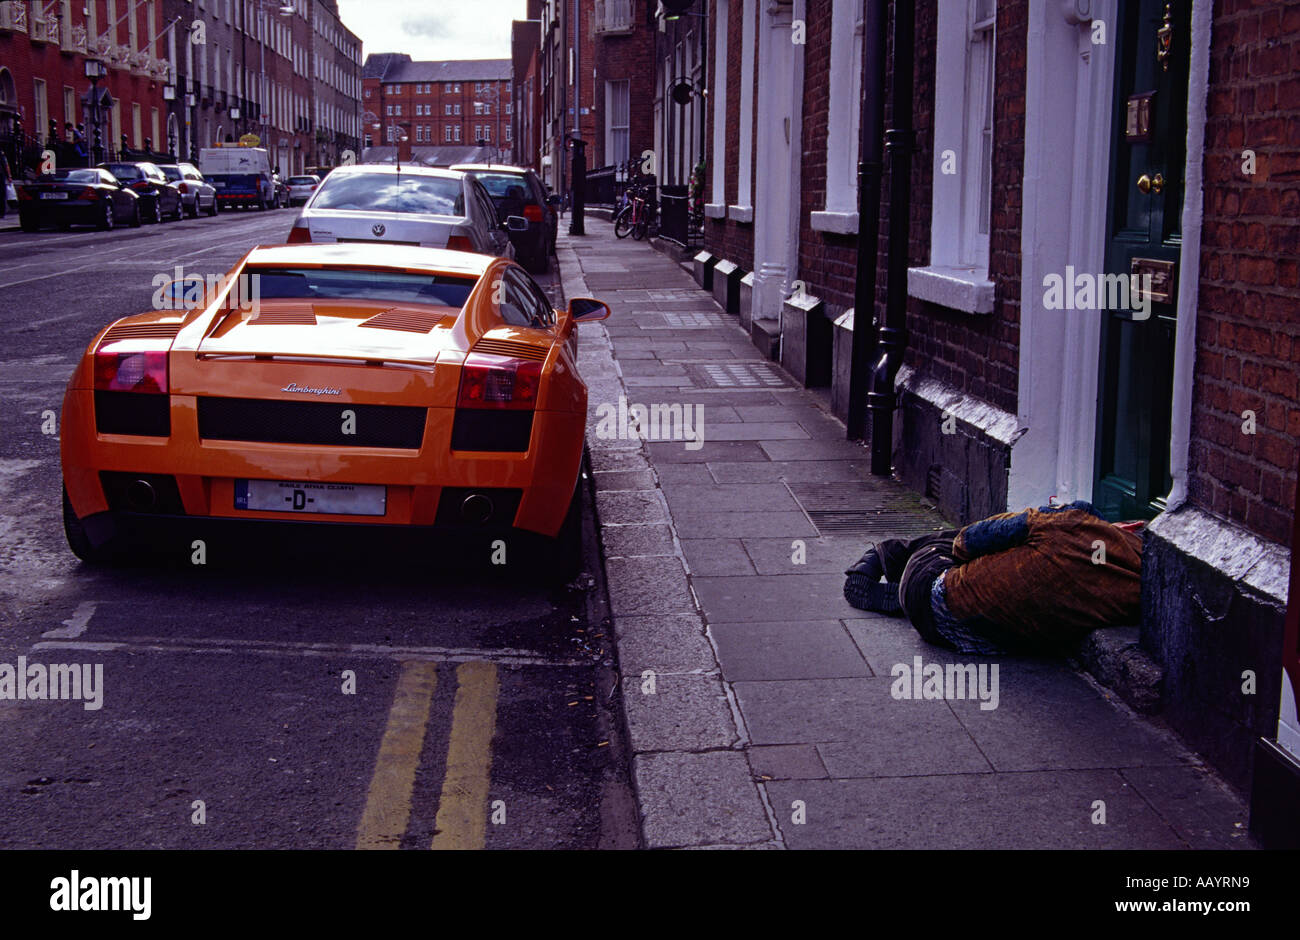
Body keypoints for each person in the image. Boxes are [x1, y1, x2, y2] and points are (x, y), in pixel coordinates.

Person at [844, 501, 1143, 655]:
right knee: (1016, 572)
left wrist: (1034, 518)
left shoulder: (1056, 524)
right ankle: (904, 593)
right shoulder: (1134, 594)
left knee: (956, 543)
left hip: (928, 591)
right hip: (986, 640)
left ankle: (885, 555)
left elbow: (966, 541)